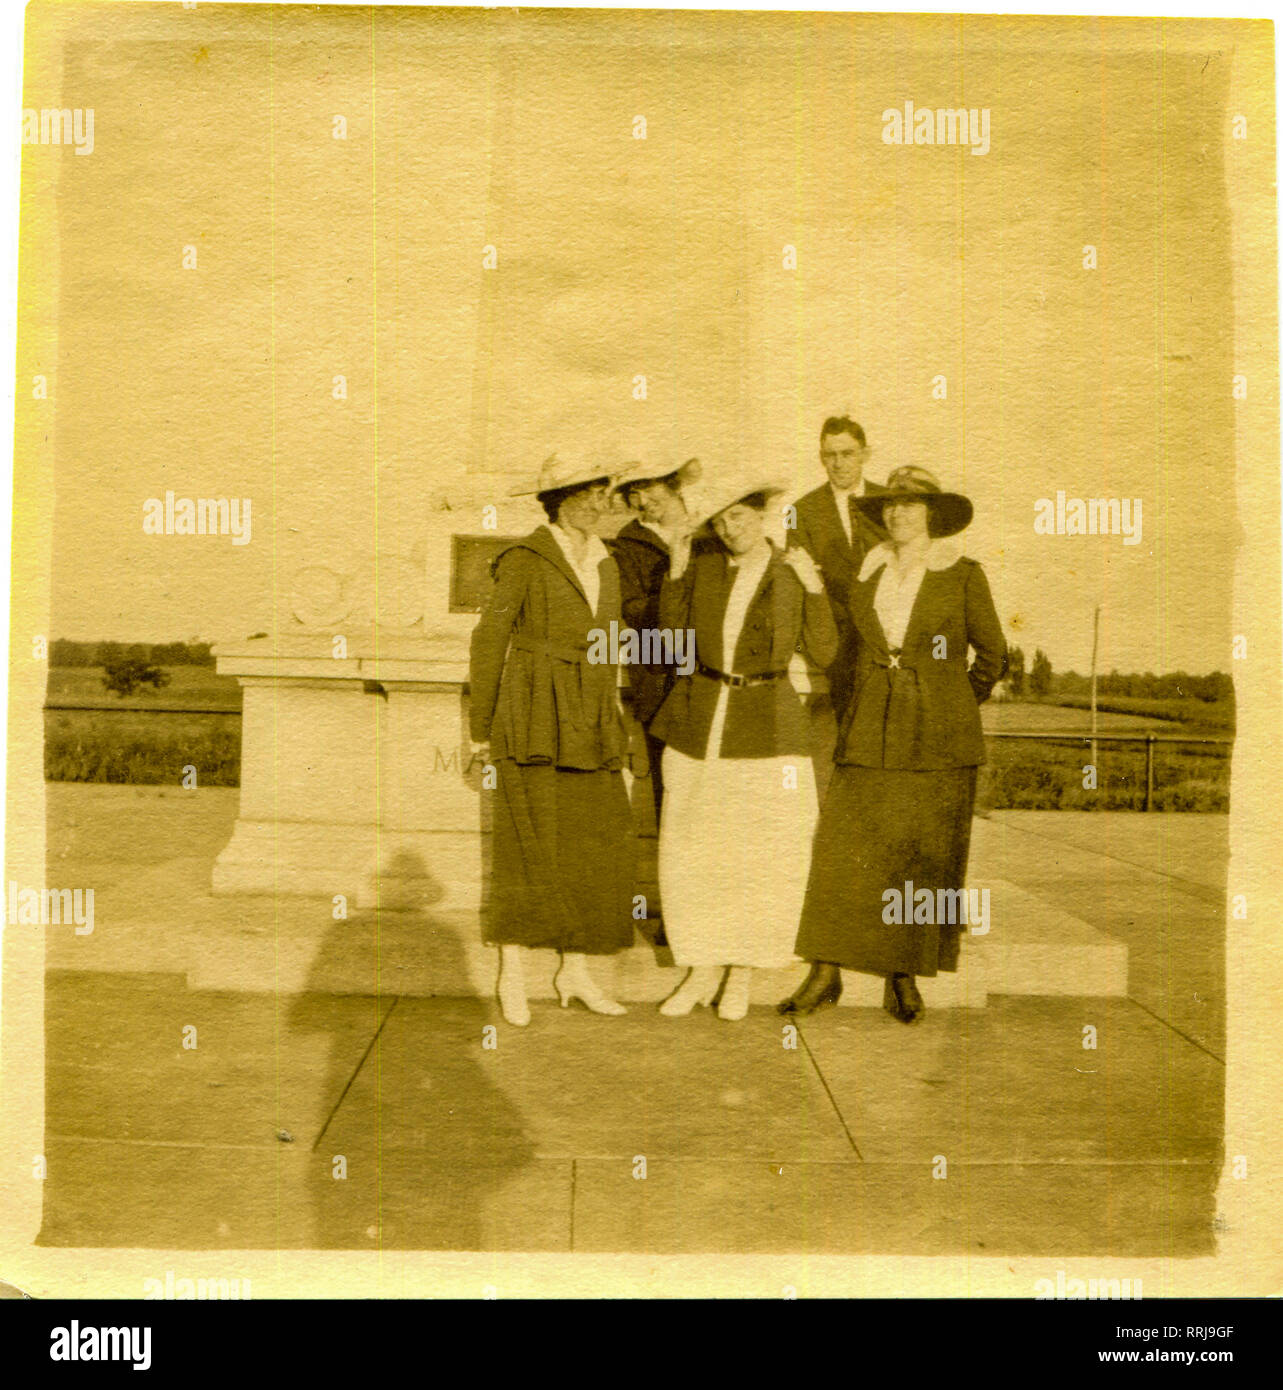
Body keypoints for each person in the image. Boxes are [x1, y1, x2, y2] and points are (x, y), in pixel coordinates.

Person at [779, 466, 1007, 1022]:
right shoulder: (871, 570)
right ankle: (825, 970)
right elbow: (854, 648)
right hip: (870, 722)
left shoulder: (963, 574)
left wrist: (948, 702)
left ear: (932, 514)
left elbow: (993, 657)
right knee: (841, 843)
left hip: (938, 735)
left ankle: (903, 976)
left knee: (920, 851)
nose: (898, 513)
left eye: (911, 505)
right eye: (890, 506)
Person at [649, 474, 838, 1020]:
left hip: (769, 728)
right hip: (699, 720)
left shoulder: (791, 571)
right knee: (693, 850)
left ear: (761, 515)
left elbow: (825, 651)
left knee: (758, 855)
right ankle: (701, 967)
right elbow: (671, 642)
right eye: (721, 519)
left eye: (739, 516)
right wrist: (678, 574)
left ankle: (740, 973)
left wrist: (815, 588)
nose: (730, 528)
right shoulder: (703, 567)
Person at [468, 453, 636, 1026]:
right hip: (534, 708)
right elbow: (490, 639)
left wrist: (614, 719)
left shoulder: (607, 563)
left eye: (603, 493)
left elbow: (611, 646)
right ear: (556, 500)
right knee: (527, 840)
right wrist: (481, 732)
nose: (597, 503)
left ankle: (576, 971)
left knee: (591, 842)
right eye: (586, 492)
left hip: (591, 716)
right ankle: (510, 972)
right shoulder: (526, 558)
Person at [787, 416, 888, 796]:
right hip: (835, 646)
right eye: (830, 455)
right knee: (840, 740)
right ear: (820, 458)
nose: (839, 463)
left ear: (865, 454)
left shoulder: (890, 503)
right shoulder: (803, 510)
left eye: (847, 453)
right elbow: (803, 585)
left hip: (885, 642)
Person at [606, 457, 704, 823]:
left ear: (674, 483)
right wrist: (674, 591)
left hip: (710, 672)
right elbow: (631, 608)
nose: (643, 499)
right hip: (658, 675)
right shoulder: (629, 543)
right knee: (670, 789)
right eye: (634, 492)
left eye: (649, 486)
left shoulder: (709, 529)